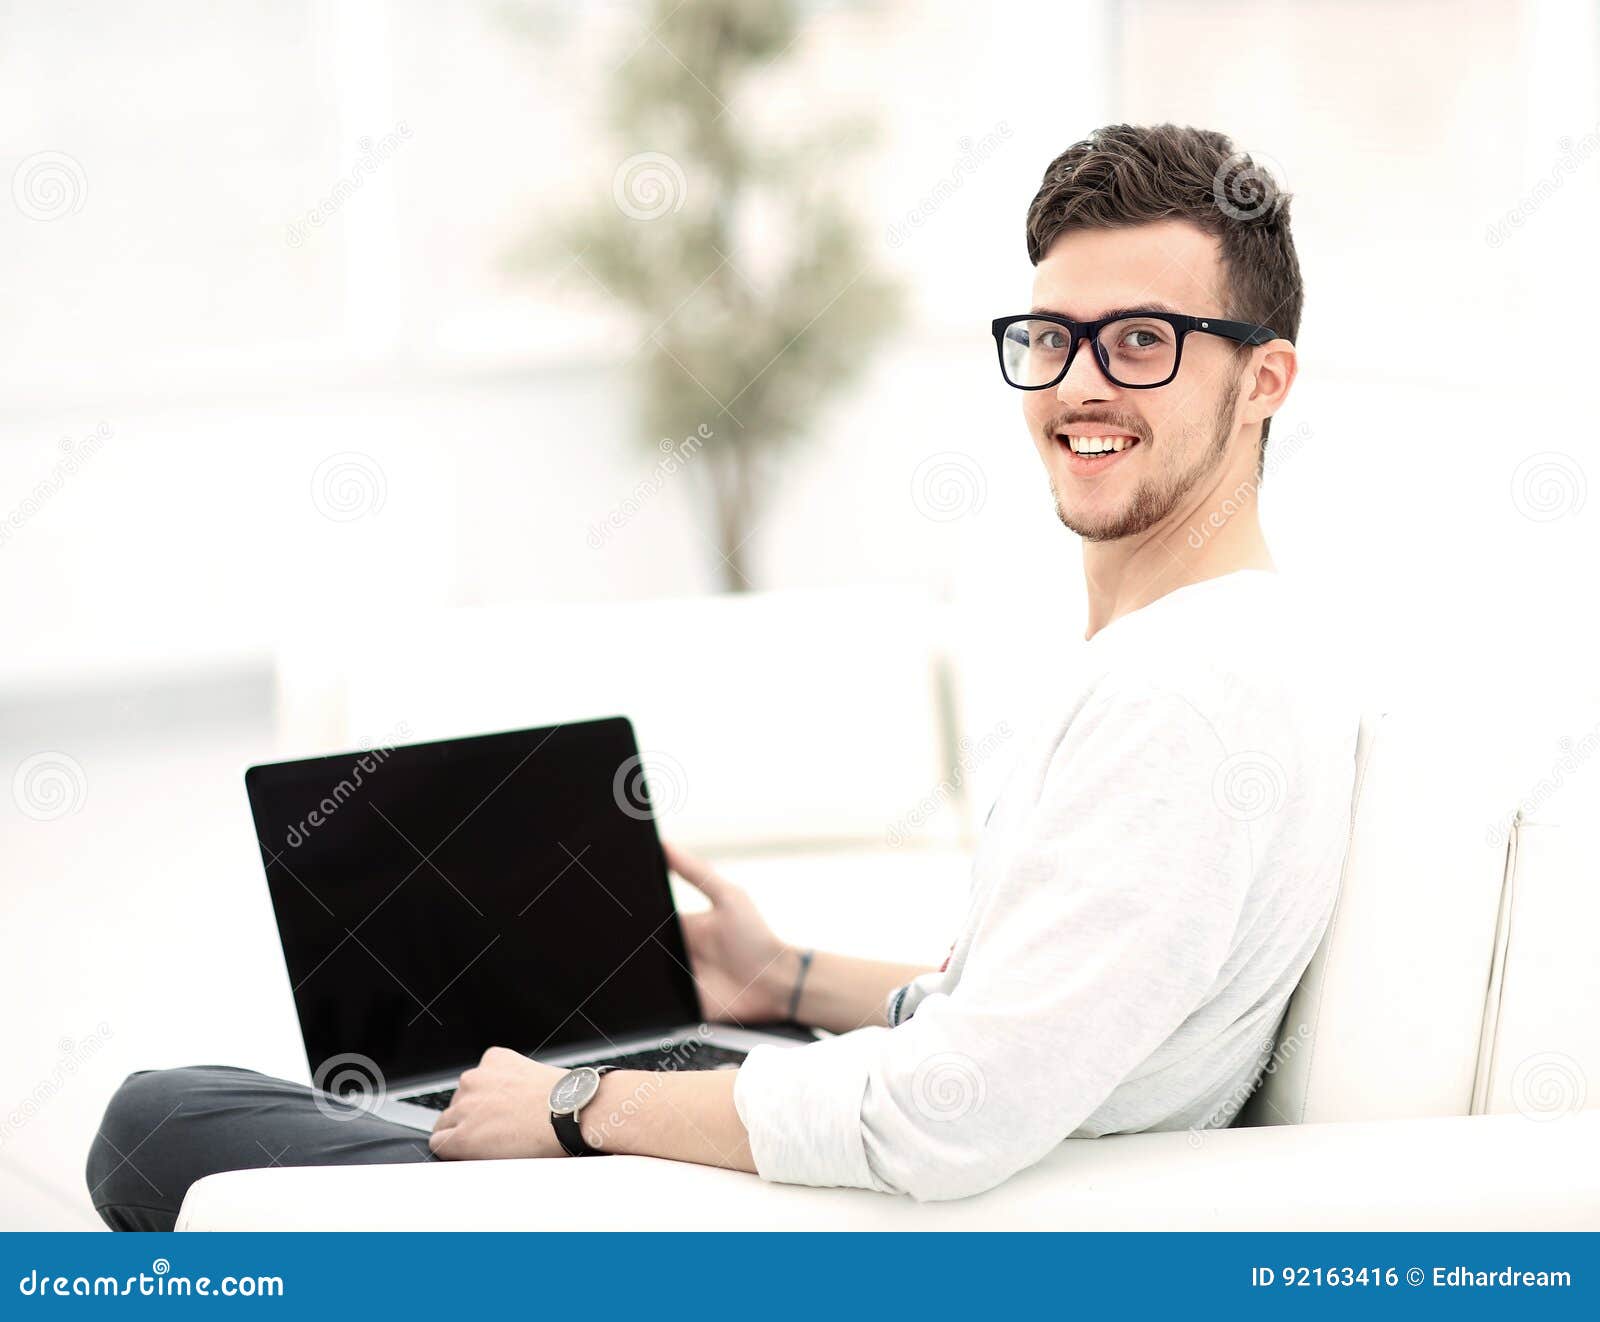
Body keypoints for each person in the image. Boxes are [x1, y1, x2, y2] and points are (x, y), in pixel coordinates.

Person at [87, 122, 1359, 1229]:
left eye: (1140, 339)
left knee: (160, 1123)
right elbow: (1020, 1028)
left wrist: (579, 1102)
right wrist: (782, 979)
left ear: (1264, 378)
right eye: (1051, 336)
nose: (1078, 384)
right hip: (819, 1174)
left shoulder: (1183, 698)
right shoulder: (1189, 655)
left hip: (784, 1222)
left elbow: (952, 1110)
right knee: (380, 1060)